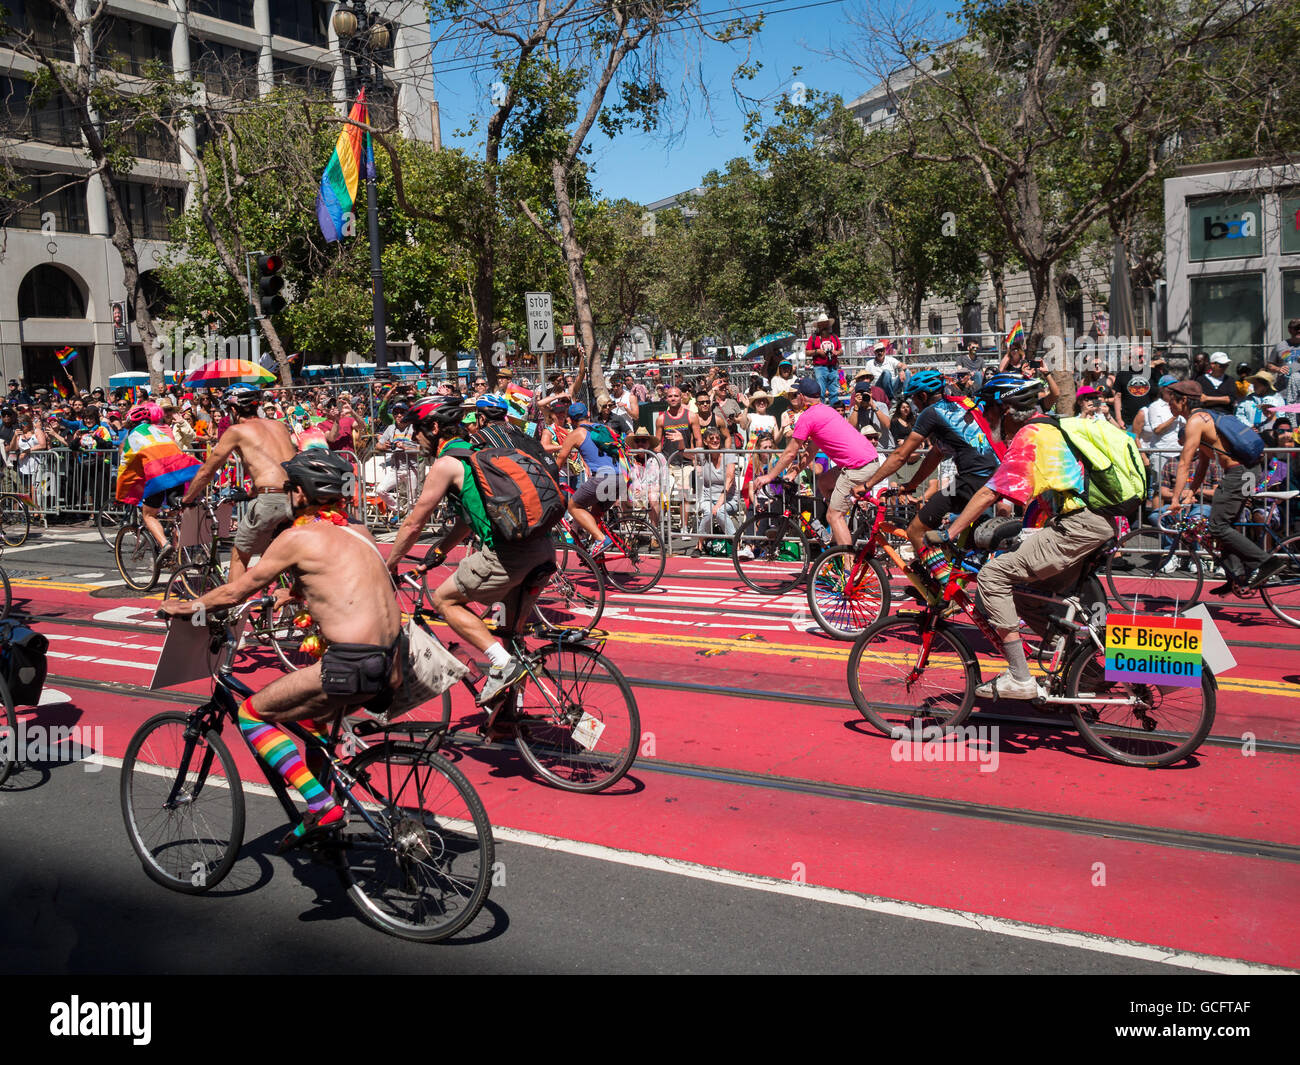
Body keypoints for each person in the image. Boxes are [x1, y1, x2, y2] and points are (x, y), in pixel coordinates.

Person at [160, 450, 401, 851]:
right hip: (391, 663)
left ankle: (322, 805)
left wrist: (185, 607)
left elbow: (238, 590)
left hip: (351, 664)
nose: (287, 495)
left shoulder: (296, 537)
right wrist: (295, 593)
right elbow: (346, 579)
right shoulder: (360, 533)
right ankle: (323, 816)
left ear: (303, 494)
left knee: (251, 713)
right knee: (316, 727)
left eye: (291, 488)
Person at [932, 393, 1144, 700]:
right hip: (1096, 523)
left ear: (1007, 412)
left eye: (990, 417)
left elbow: (991, 493)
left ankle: (1020, 677)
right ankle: (1084, 673)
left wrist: (950, 533)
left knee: (992, 577)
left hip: (1080, 525)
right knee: (1026, 594)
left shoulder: (1031, 434)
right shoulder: (1055, 426)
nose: (988, 425)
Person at [387, 396, 556, 705]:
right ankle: (509, 714)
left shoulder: (447, 463)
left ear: (435, 427)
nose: (414, 438)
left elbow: (413, 524)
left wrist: (390, 564)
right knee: (508, 634)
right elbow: (470, 518)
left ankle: (502, 665)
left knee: (443, 600)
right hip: (543, 548)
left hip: (509, 555)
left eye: (417, 430)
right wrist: (439, 552)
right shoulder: (481, 451)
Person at [860, 369, 1003, 582]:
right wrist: (911, 484)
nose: (914, 405)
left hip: (972, 479)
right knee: (946, 531)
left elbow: (900, 455)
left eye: (915, 399)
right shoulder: (960, 404)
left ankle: (945, 589)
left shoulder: (932, 413)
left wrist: (867, 484)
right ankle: (955, 572)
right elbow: (935, 455)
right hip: (993, 475)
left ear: (923, 396)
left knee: (915, 531)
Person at [1167, 379, 1287, 591]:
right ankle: (1237, 575)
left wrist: (1175, 500)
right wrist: (1191, 492)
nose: (1169, 405)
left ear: (1183, 400)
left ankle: (1265, 561)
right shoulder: (1206, 418)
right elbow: (1203, 462)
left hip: (1240, 473)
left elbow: (1185, 463)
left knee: (1217, 525)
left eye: (1172, 401)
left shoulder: (1195, 421)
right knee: (1224, 524)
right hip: (1247, 471)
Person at [180, 387, 298, 584]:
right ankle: (280, 596)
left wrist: (187, 499)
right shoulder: (279, 426)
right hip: (296, 496)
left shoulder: (236, 431)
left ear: (234, 411)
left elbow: (207, 471)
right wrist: (251, 492)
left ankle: (234, 608)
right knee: (274, 552)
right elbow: (277, 463)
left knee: (239, 556)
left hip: (271, 500)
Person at [750, 378, 880, 547]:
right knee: (824, 482)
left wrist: (769, 476)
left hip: (857, 467)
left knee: (833, 516)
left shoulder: (808, 417)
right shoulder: (827, 411)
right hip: (868, 460)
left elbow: (790, 451)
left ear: (802, 396)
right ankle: (837, 535)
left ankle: (847, 566)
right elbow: (811, 450)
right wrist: (795, 472)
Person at [114, 401, 202, 560]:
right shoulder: (160, 432)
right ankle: (179, 551)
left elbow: (125, 468)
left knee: (149, 515)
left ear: (131, 423)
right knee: (177, 511)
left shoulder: (133, 437)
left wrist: (120, 495)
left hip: (158, 476)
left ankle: (165, 544)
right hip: (180, 472)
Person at [1132, 375, 1184, 498]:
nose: (1172, 390)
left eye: (1175, 387)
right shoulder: (1154, 407)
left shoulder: (1181, 404)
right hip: (1161, 453)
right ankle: (1156, 516)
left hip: (1179, 452)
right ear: (1162, 389)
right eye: (1169, 388)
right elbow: (1157, 430)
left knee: (1179, 487)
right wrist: (1174, 416)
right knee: (1159, 489)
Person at [806, 314, 843, 404]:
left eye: (825, 324)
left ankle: (834, 410)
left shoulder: (834, 337)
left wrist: (837, 352)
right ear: (819, 326)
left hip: (833, 367)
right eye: (822, 324)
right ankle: (822, 411)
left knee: (834, 391)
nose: (824, 326)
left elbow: (841, 350)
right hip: (820, 367)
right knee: (821, 392)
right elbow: (807, 352)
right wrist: (817, 351)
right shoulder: (813, 338)